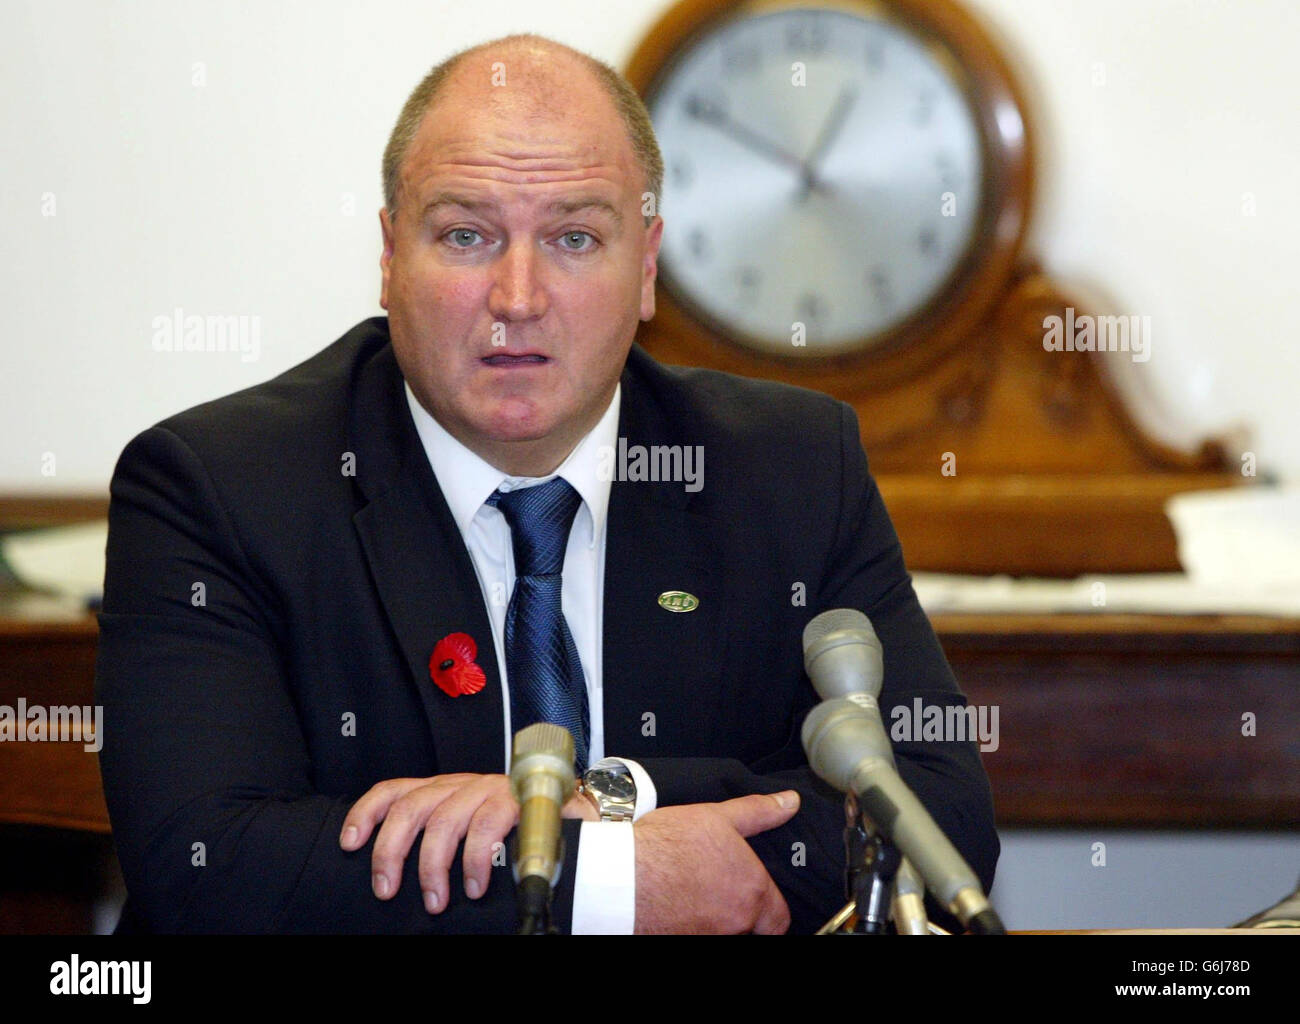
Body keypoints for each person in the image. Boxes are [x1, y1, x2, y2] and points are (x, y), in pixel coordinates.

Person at [95, 32, 998, 934]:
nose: (518, 296)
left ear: (645, 265)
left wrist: (609, 798)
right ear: (388, 255)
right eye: (465, 235)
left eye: (574, 237)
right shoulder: (217, 488)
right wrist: (617, 883)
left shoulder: (792, 468)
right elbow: (207, 867)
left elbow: (938, 815)